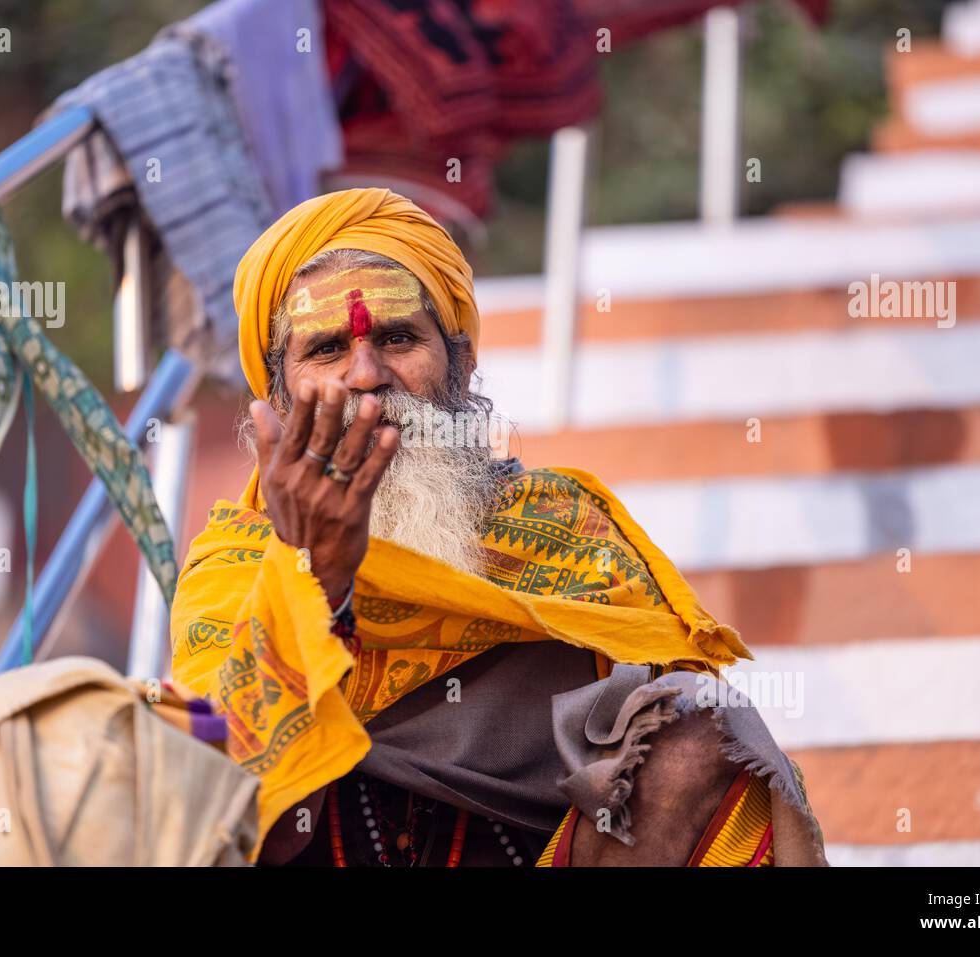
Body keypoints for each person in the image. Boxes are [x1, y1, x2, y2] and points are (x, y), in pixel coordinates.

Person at [169, 187, 828, 867]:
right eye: (328, 349)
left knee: (698, 726)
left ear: (461, 364)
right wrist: (316, 578)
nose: (367, 375)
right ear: (278, 396)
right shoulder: (232, 568)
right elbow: (228, 827)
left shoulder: (562, 529)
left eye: (398, 337)